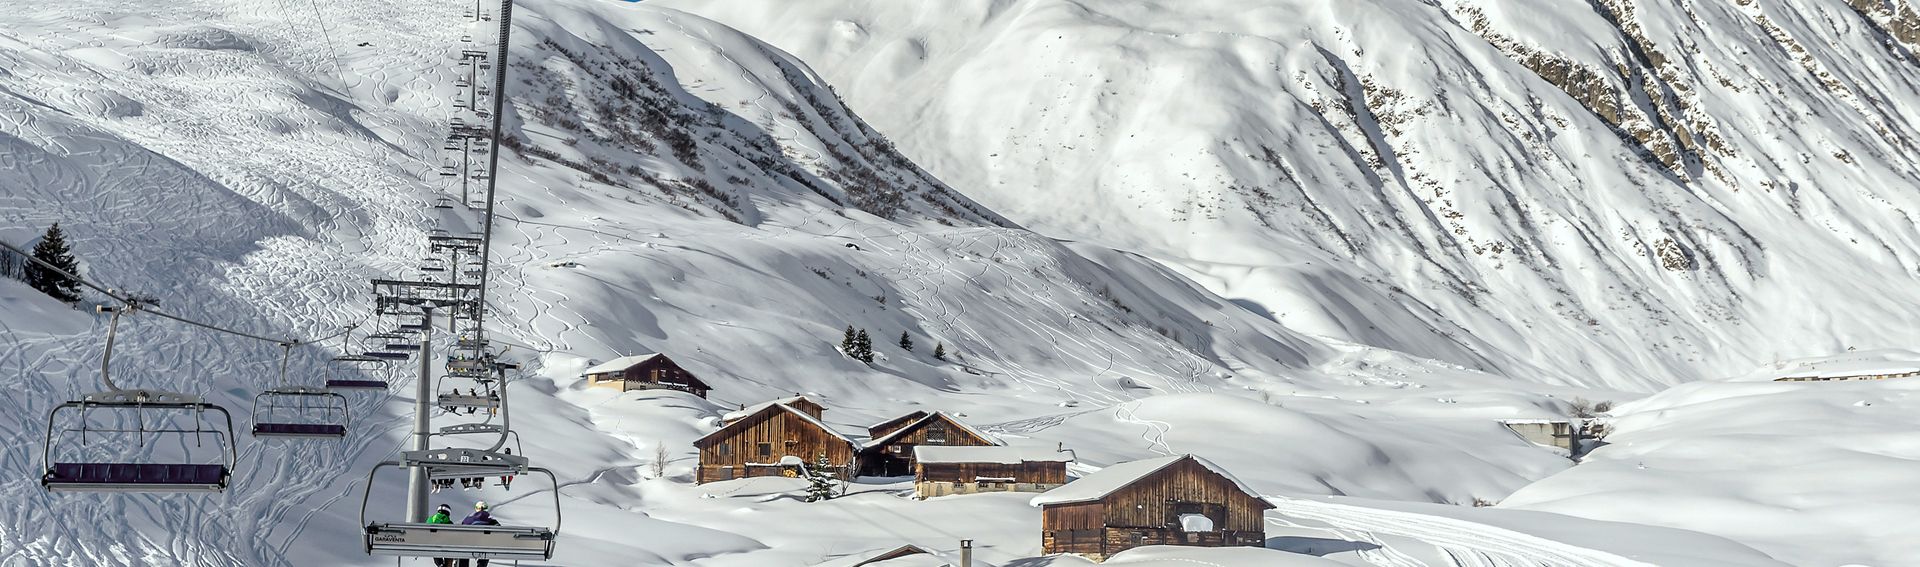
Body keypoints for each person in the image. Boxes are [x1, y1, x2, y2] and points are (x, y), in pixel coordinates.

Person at [459, 501, 502, 567]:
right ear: (486, 509)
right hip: (483, 545)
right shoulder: (490, 519)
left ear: (476, 508)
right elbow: (498, 529)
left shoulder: (469, 518)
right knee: (486, 549)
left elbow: (462, 527)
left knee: (464, 550)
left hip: (468, 545)